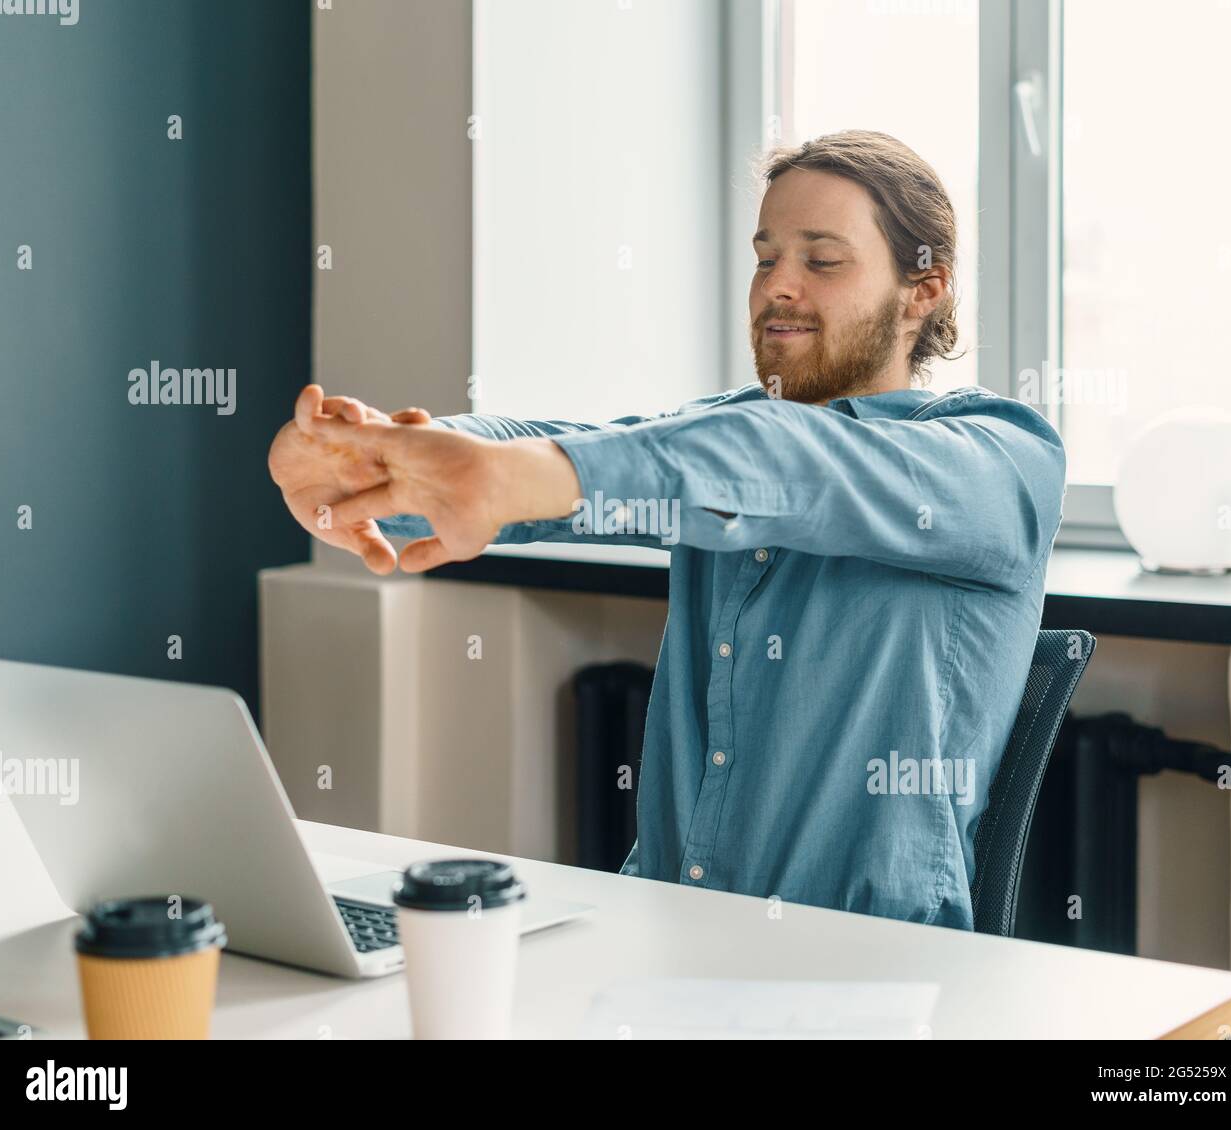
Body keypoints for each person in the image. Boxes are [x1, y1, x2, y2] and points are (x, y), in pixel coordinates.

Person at [268, 130, 1065, 929]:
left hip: (869, 974)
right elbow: (585, 449)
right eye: (764, 258)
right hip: (664, 931)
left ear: (922, 288)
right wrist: (368, 467)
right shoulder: (720, 435)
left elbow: (784, 463)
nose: (777, 287)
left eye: (821, 261)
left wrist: (514, 475)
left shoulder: (999, 461)